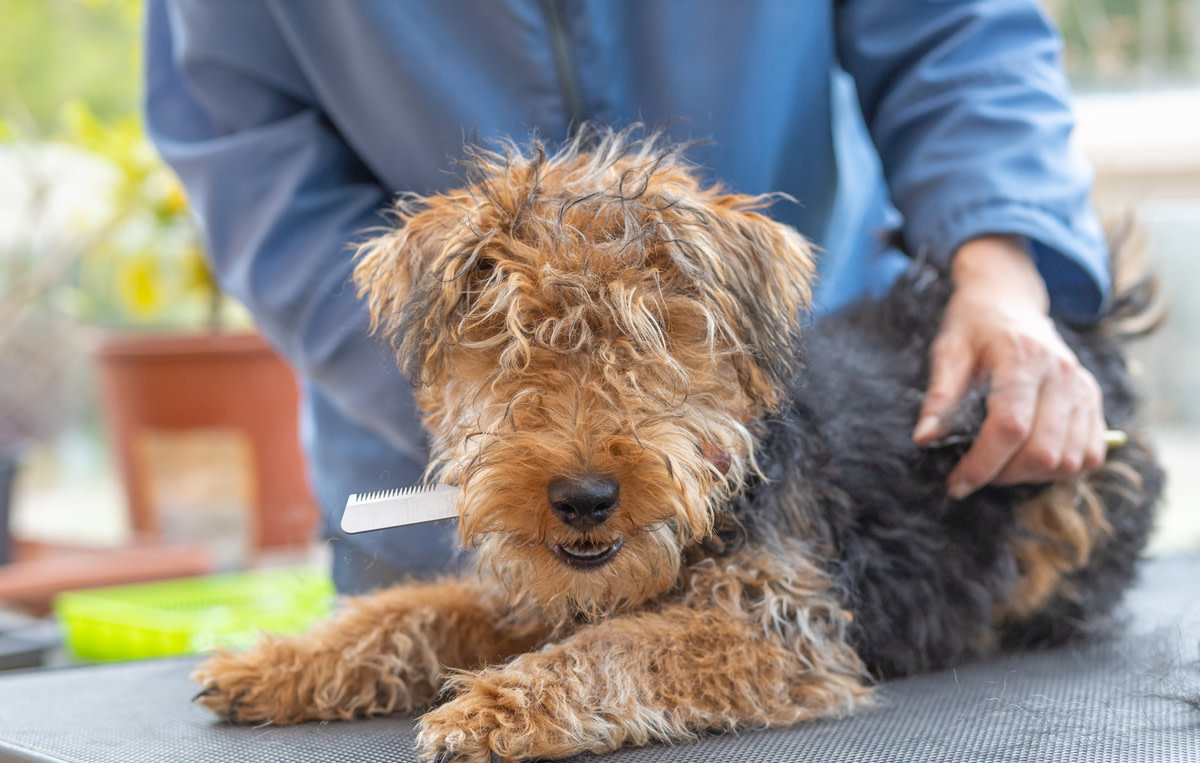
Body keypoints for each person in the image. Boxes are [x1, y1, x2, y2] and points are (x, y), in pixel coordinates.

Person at [144, 0, 1111, 595]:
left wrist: (1001, 261)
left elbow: (955, 28)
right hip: (418, 478)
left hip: (807, 415)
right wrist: (466, 398)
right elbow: (247, 155)